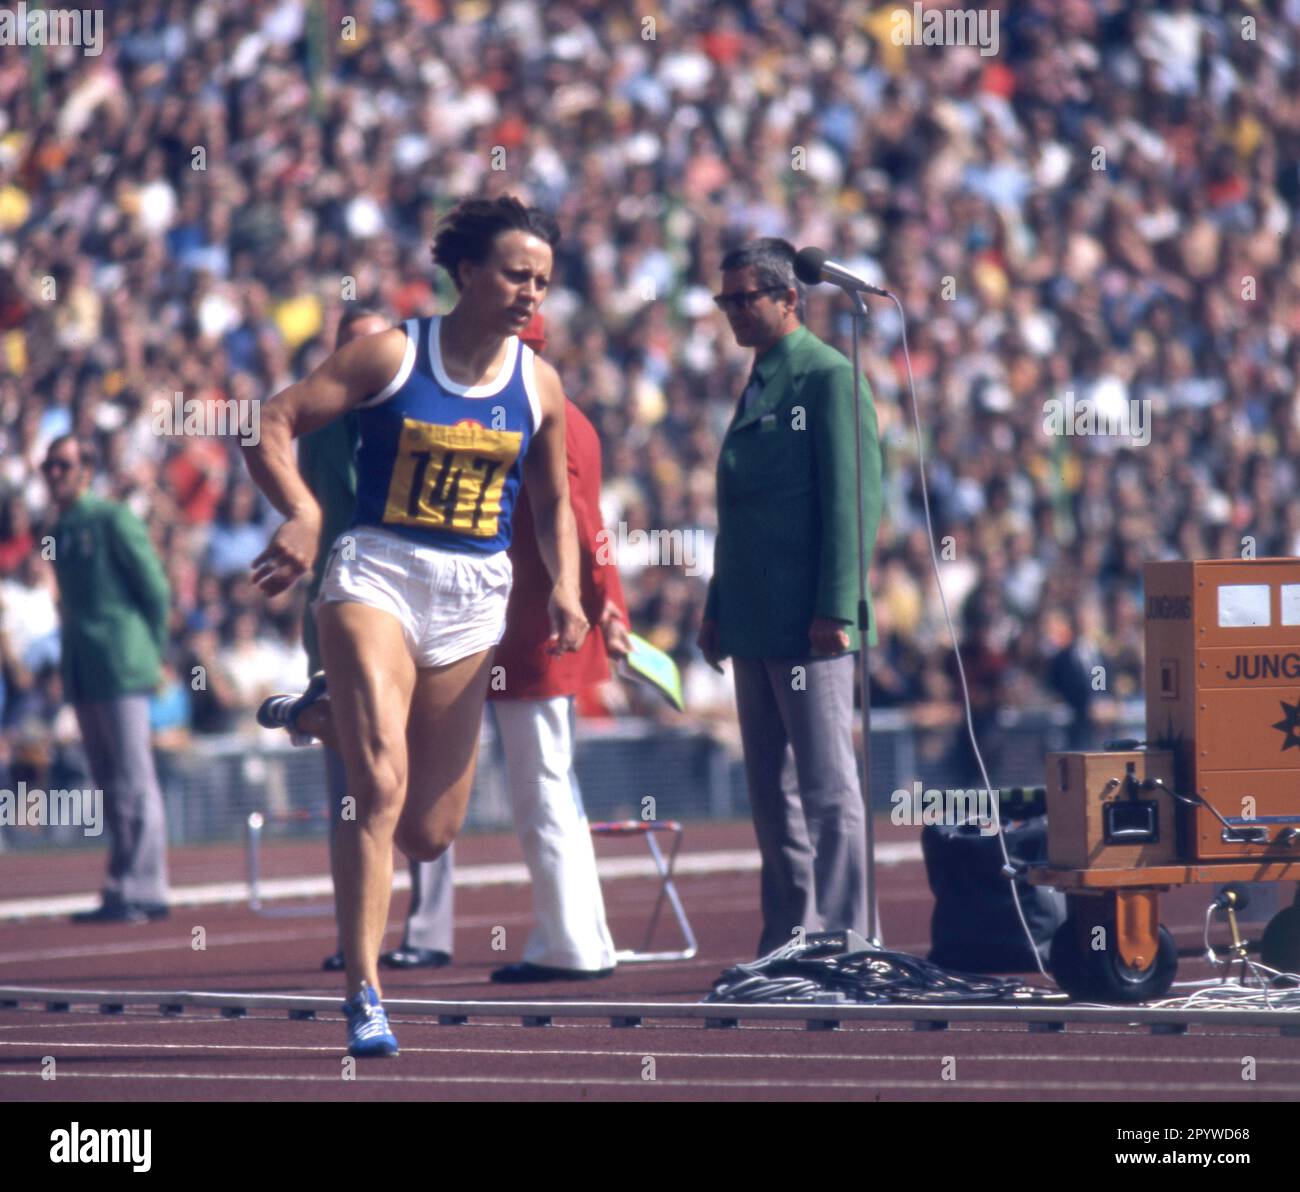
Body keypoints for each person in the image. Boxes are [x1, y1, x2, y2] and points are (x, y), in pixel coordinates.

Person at [242, 195, 587, 1058]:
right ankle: (365, 993)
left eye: (542, 281)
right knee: (379, 786)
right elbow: (268, 422)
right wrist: (303, 514)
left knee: (429, 835)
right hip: (378, 574)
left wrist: (569, 590)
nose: (530, 293)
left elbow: (553, 500)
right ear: (467, 272)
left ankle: (322, 715)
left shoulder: (537, 383)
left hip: (474, 596)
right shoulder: (394, 354)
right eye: (516, 274)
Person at [265, 311, 631, 983]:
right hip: (366, 593)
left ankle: (560, 938)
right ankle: (369, 976)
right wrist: (304, 526)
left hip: (511, 624)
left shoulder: (542, 399)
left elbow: (580, 516)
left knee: (455, 813)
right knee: (376, 784)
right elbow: (296, 461)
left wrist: (599, 598)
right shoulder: (343, 412)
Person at [697, 237, 883, 956]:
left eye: (746, 298)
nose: (734, 312)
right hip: (754, 619)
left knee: (828, 788)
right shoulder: (764, 378)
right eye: (726, 300)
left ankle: (846, 938)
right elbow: (742, 512)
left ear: (789, 298)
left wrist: (837, 605)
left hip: (810, 623)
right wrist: (718, 605)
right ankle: (789, 937)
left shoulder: (827, 377)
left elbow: (853, 501)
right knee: (772, 795)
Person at [266, 305, 456, 974]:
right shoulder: (317, 427)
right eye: (350, 348)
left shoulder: (417, 411)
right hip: (340, 609)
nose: (362, 359)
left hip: (410, 607)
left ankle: (428, 927)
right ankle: (359, 936)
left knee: (417, 780)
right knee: (351, 785)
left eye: (374, 346)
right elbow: (306, 503)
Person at [43, 434, 172, 924]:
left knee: (134, 778)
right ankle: (122, 884)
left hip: (122, 661)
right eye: (48, 466)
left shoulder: (112, 518)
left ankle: (146, 887)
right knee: (109, 781)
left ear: (86, 469)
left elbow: (154, 589)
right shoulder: (60, 527)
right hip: (85, 665)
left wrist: (150, 651)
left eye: (63, 464)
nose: (54, 474)